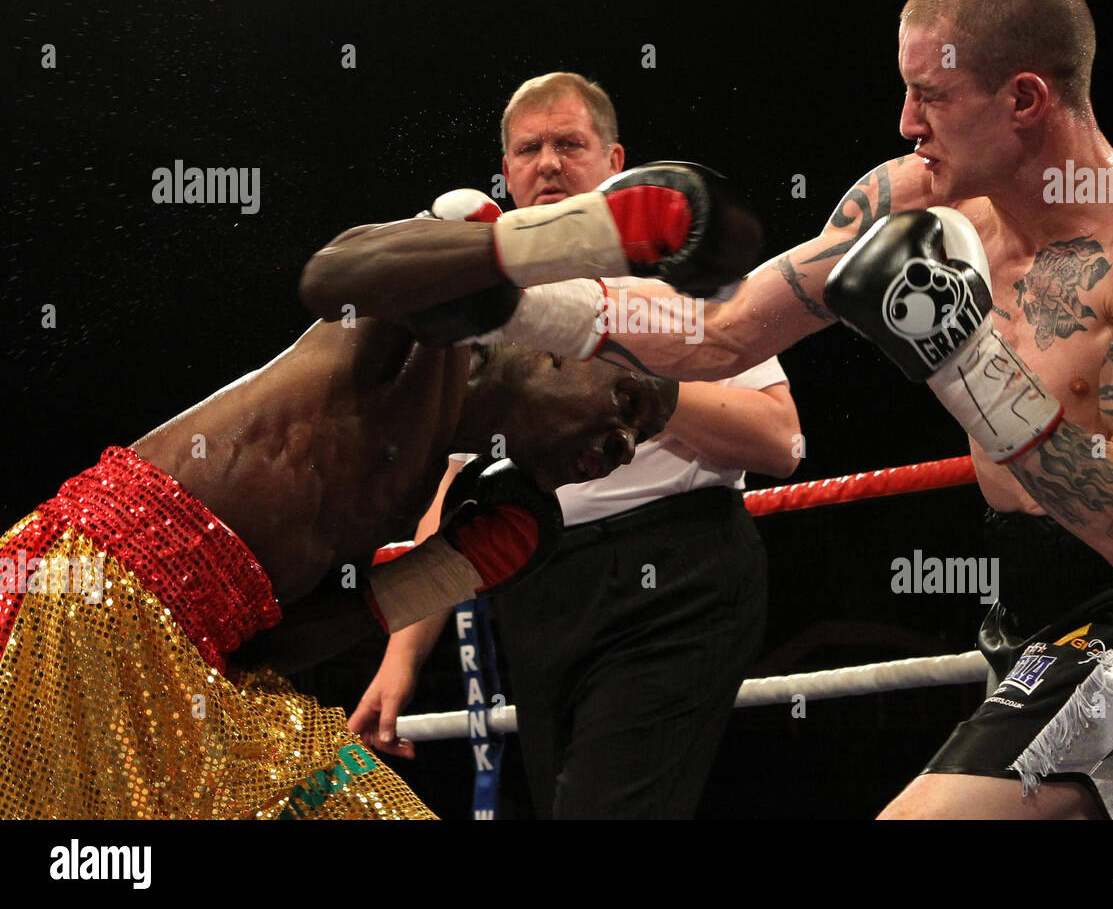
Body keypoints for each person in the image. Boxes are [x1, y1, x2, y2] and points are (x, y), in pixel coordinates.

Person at [429, 0, 1113, 820]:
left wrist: (967, 362)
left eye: (932, 95)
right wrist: (510, 302)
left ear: (1025, 99)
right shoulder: (911, 200)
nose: (907, 121)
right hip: (1031, 611)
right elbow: (723, 332)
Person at [0, 160, 757, 818]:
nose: (620, 446)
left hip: (192, 661)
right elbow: (334, 272)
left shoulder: (424, 475)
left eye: (638, 441)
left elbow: (270, 650)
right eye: (627, 404)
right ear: (566, 349)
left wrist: (437, 574)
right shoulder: (429, 328)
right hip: (86, 592)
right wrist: (579, 235)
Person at [349, 73, 801, 819]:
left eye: (569, 143)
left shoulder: (682, 266)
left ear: (614, 159)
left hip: (677, 575)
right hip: (539, 587)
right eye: (529, 149)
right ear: (506, 172)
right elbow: (453, 498)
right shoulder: (488, 303)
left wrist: (649, 390)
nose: (549, 163)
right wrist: (401, 658)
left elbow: (781, 441)